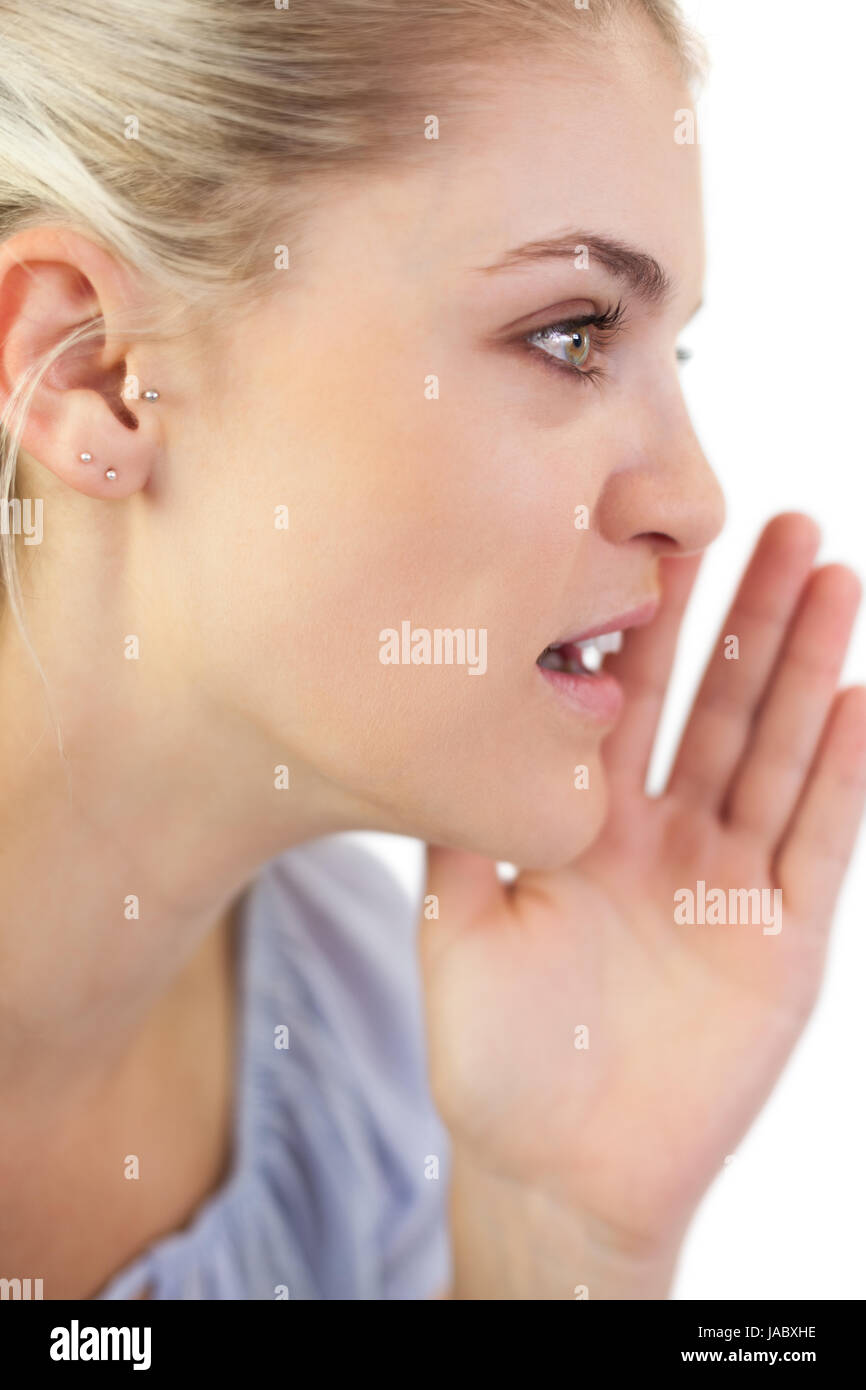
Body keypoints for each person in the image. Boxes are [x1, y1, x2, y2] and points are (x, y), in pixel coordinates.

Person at [0, 0, 863, 1300]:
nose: (694, 498)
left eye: (669, 349)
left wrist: (549, 1239)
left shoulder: (365, 1048)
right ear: (96, 374)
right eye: (569, 333)